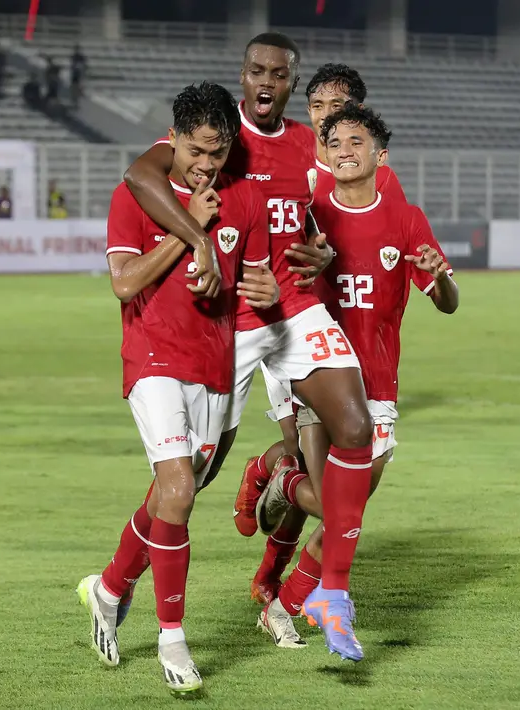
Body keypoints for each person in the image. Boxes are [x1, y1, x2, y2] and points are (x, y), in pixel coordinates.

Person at [123, 33, 373, 662]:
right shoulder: (213, 133)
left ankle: (330, 590)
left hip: (292, 308)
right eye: (257, 70)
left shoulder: (307, 145)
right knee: (190, 479)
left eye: (279, 74)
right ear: (242, 75)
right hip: (224, 325)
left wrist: (322, 253)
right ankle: (117, 578)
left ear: (292, 83)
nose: (266, 81)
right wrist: (200, 243)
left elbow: (311, 220)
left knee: (356, 426)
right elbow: (140, 176)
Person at [75, 82, 277, 696]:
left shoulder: (244, 199)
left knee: (173, 494)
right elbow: (124, 283)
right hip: (152, 357)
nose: (205, 164)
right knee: (181, 490)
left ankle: (110, 588)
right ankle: (173, 640)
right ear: (173, 139)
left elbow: (254, 282)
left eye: (218, 152)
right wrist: (189, 232)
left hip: (214, 365)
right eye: (195, 150)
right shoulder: (136, 195)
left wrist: (267, 290)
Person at [242, 104, 457, 649]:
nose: (343, 151)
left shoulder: (405, 218)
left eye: (356, 142)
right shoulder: (310, 212)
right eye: (334, 142)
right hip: (320, 372)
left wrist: (439, 278)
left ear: (381, 155)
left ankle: (279, 494)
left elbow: (448, 302)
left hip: (377, 384)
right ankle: (296, 598)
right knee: (337, 507)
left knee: (347, 508)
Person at [234, 63, 410, 579]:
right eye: (317, 107)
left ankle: (270, 570)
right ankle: (273, 556)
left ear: (358, 111)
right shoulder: (287, 162)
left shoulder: (375, 176)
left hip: (348, 338)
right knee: (307, 459)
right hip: (291, 324)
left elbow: (388, 243)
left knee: (333, 479)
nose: (326, 116)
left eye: (339, 107)